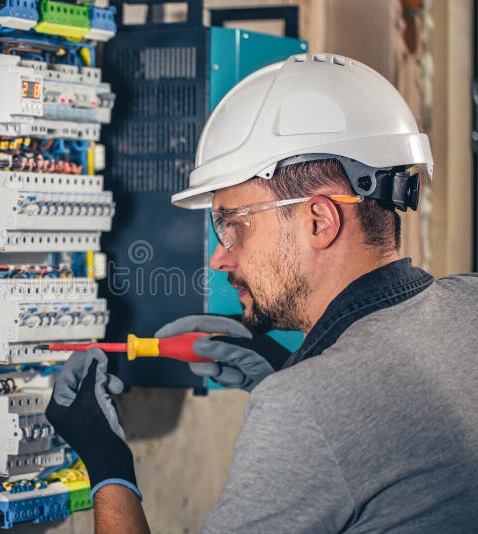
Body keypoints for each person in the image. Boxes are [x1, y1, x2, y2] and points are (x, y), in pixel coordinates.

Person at [45, 53, 478, 533]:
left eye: (234, 226)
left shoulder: (303, 410)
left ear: (319, 221)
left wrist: (108, 467)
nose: (219, 257)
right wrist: (291, 366)